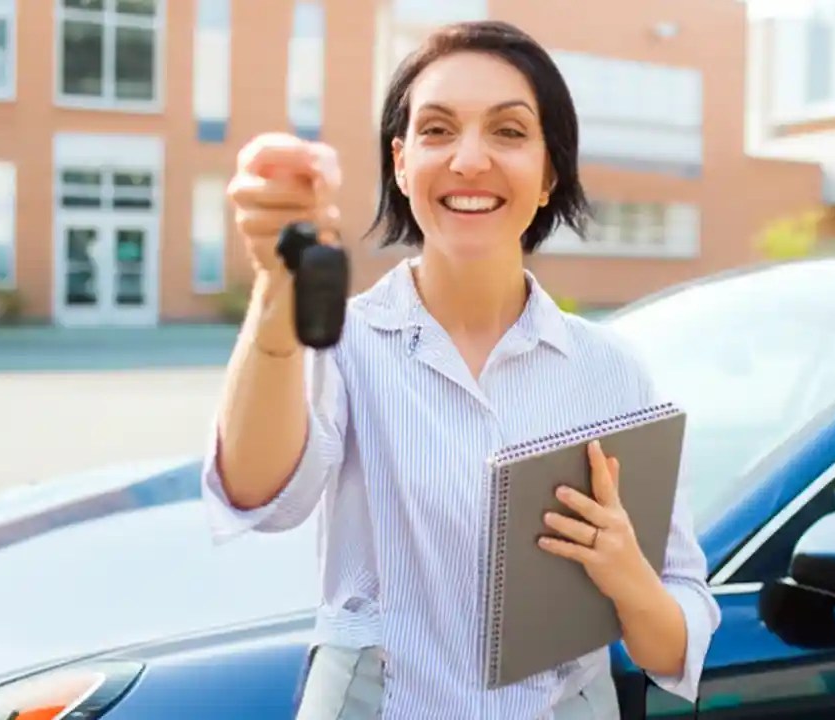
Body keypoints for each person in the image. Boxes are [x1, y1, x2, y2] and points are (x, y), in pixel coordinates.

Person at [201, 19, 720, 720]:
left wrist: (629, 576)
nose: (470, 160)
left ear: (549, 173)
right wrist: (275, 286)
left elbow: (674, 645)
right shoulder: (343, 343)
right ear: (401, 162)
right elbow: (258, 494)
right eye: (438, 130)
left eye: (508, 131)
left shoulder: (612, 372)